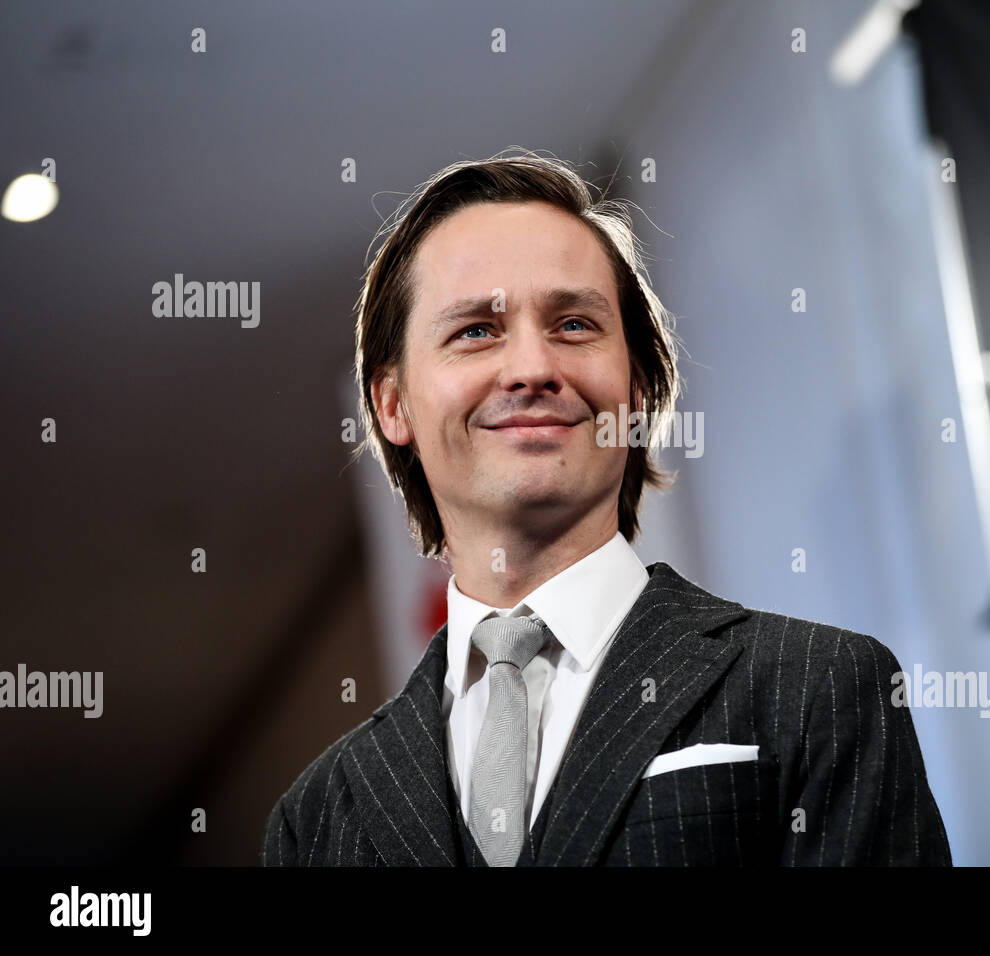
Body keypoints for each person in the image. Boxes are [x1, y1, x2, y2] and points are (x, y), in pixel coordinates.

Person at [261, 150, 951, 866]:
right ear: (392, 403)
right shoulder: (317, 821)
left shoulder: (820, 686)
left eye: (574, 326)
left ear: (640, 385)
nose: (532, 368)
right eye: (475, 331)